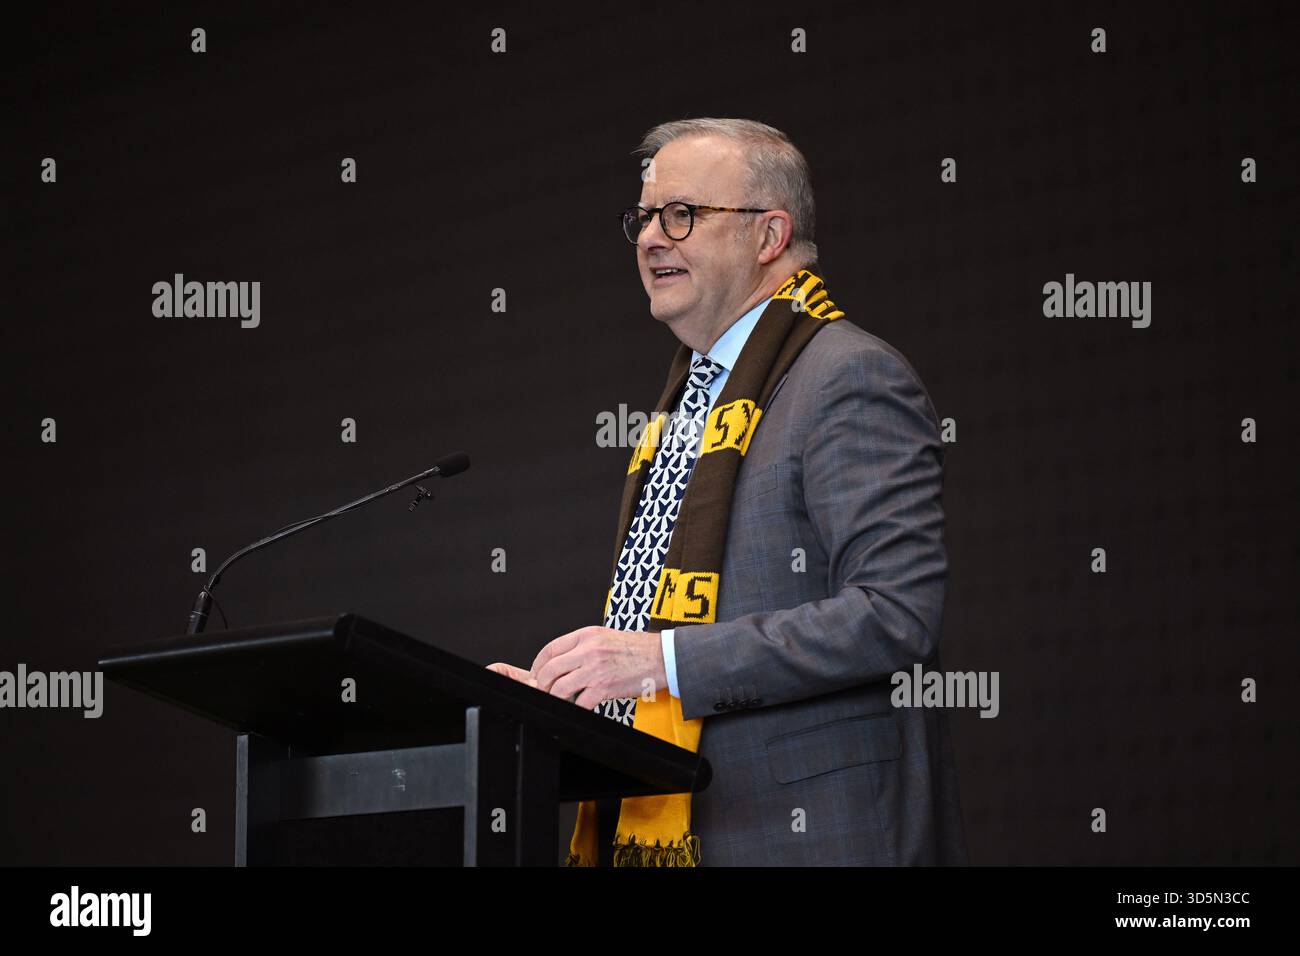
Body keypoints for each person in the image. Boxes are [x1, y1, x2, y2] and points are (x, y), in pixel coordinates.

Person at [488, 117, 967, 866]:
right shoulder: (685, 405)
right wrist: (577, 697)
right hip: (683, 823)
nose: (650, 237)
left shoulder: (848, 378)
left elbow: (894, 616)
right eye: (642, 218)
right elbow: (663, 630)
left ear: (769, 235)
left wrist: (660, 664)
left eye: (681, 215)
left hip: (806, 836)